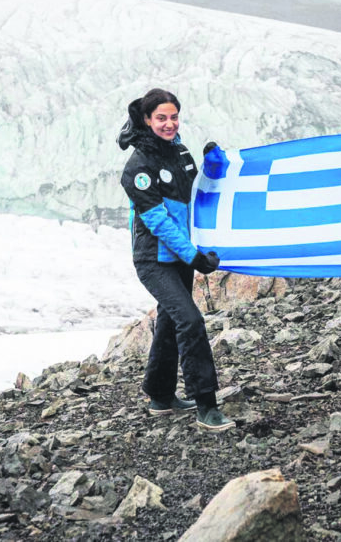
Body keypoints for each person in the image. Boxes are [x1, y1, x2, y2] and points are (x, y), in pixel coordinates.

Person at [117, 88, 235, 432]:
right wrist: (194, 257)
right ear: (146, 120)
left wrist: (213, 165)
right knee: (190, 321)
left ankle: (160, 395)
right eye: (161, 118)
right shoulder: (138, 167)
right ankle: (206, 405)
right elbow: (157, 222)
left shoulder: (180, 152)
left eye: (173, 117)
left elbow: (197, 193)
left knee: (170, 320)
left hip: (181, 254)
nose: (169, 124)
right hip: (154, 259)